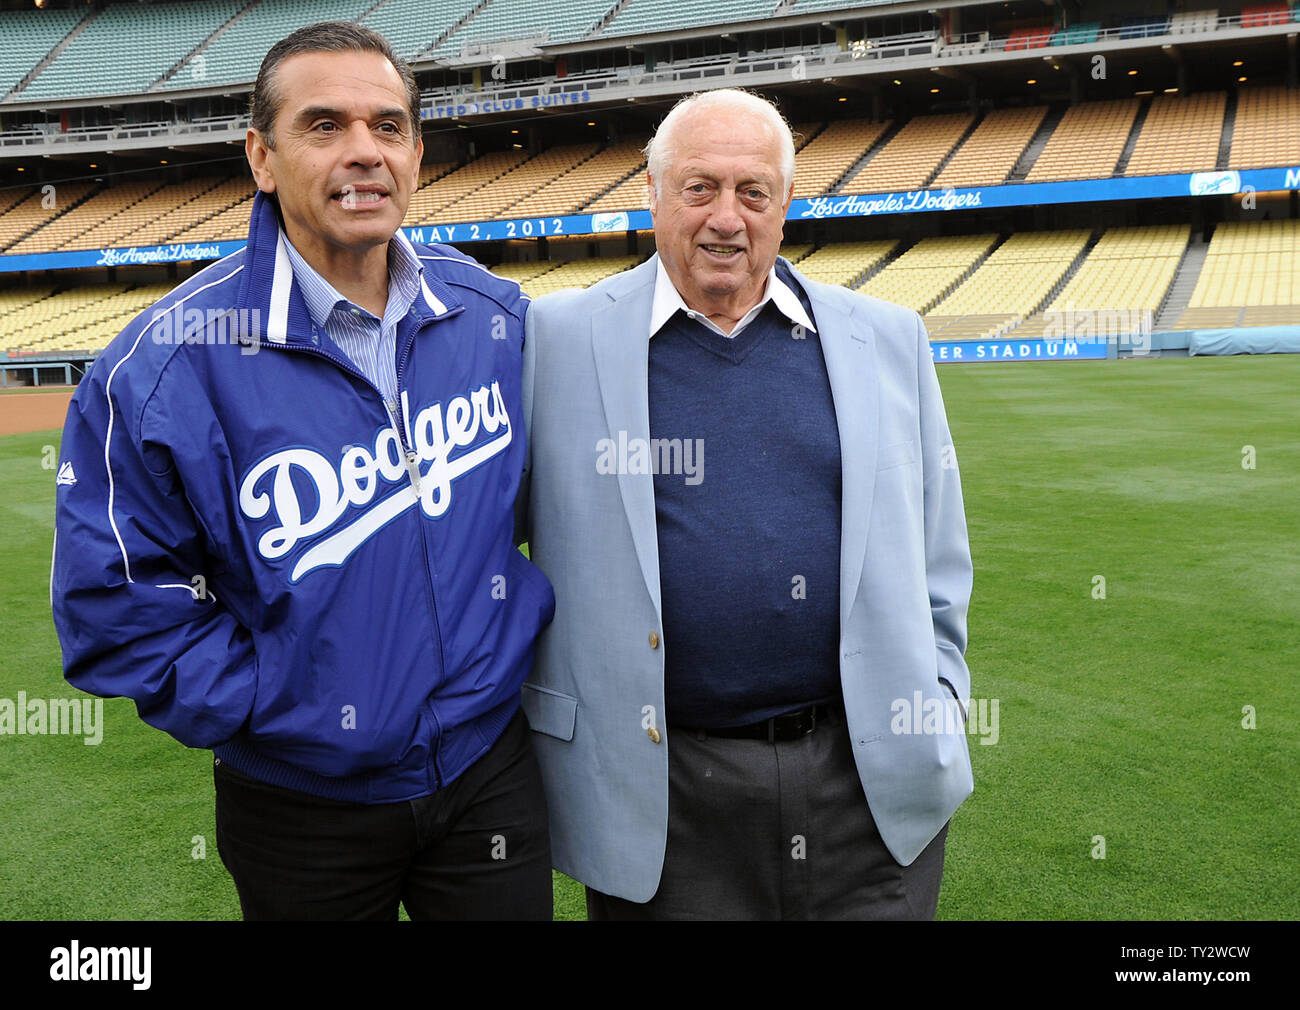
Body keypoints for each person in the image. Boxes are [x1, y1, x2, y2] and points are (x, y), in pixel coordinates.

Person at [50, 22, 555, 921]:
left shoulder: (492, 315)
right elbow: (115, 611)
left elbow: (534, 513)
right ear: (262, 157)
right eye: (325, 126)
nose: (365, 152)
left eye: (388, 126)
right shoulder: (164, 364)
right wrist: (285, 710)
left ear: (416, 152)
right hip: (301, 806)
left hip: (489, 770)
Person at [517, 88, 974, 920]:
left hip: (868, 785)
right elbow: (485, 539)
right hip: (662, 795)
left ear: (784, 206)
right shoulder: (553, 338)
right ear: (651, 193)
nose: (726, 217)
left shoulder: (888, 336)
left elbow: (941, 552)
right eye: (699, 188)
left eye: (753, 192)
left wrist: (939, 693)